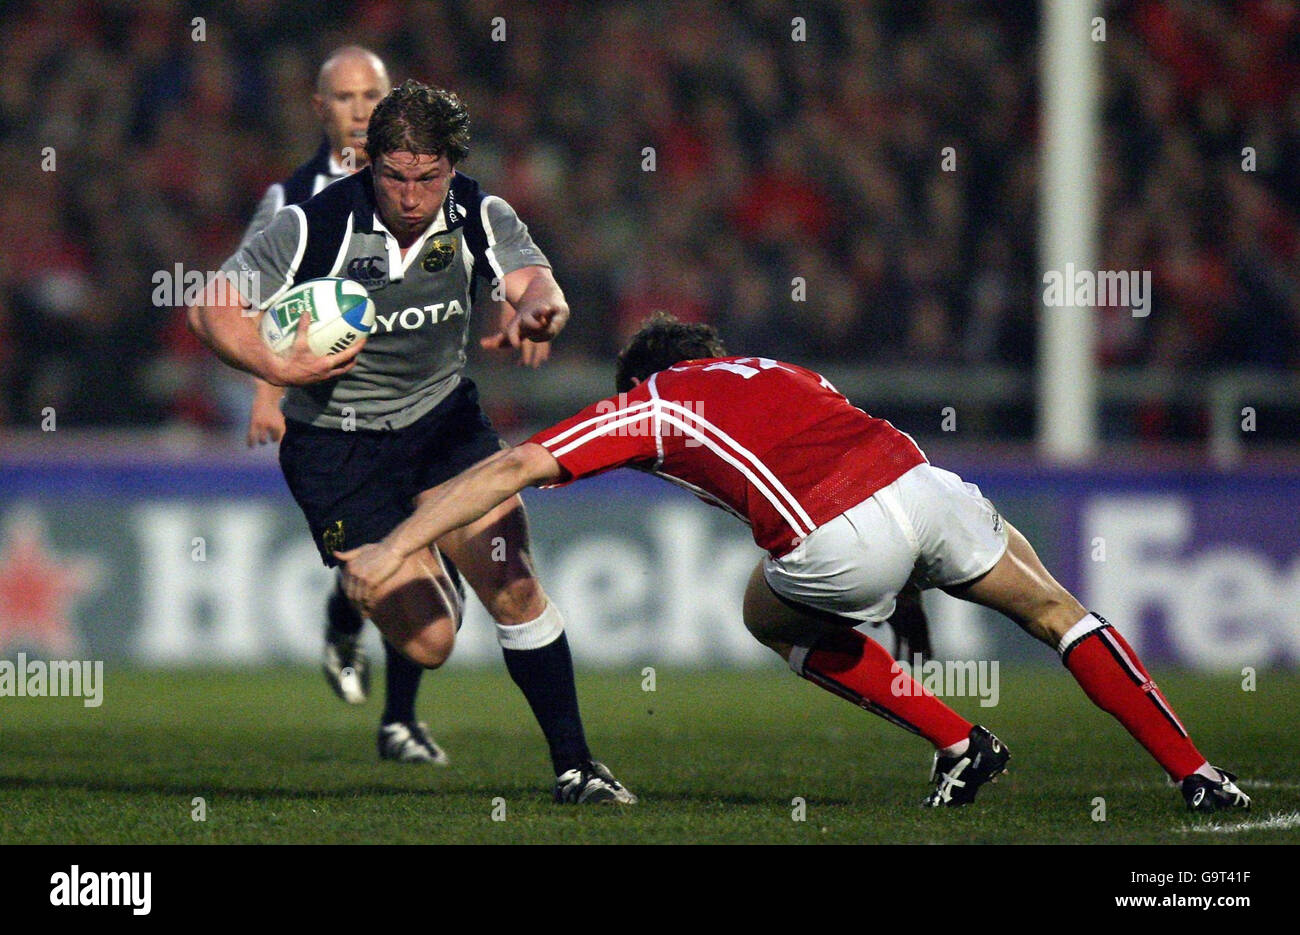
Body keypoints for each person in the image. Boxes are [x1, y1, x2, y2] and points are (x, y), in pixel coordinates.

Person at [337, 313, 1250, 812]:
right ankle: (1198, 774)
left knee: (762, 610)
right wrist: (914, 596)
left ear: (644, 379)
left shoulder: (654, 403)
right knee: (1057, 610)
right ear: (715, 353)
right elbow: (859, 471)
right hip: (926, 484)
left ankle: (960, 739)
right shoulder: (781, 369)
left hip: (841, 542)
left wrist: (394, 542)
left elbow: (511, 468)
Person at [188, 80, 634, 804]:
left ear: (451, 167)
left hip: (442, 426)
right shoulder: (316, 226)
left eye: (427, 177)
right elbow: (211, 308)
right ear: (370, 164)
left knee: (516, 585)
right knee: (432, 641)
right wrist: (277, 364)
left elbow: (538, 285)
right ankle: (405, 565)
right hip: (337, 447)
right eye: (394, 175)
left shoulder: (479, 213)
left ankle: (577, 766)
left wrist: (539, 314)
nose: (410, 194)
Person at [233, 45, 455, 765]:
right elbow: (255, 304)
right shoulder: (293, 200)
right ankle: (358, 639)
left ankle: (396, 714)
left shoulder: (423, 184)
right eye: (345, 97)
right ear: (318, 107)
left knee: (429, 551)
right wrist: (268, 391)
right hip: (335, 417)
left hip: (418, 403)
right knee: (403, 555)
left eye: (372, 95)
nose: (359, 109)